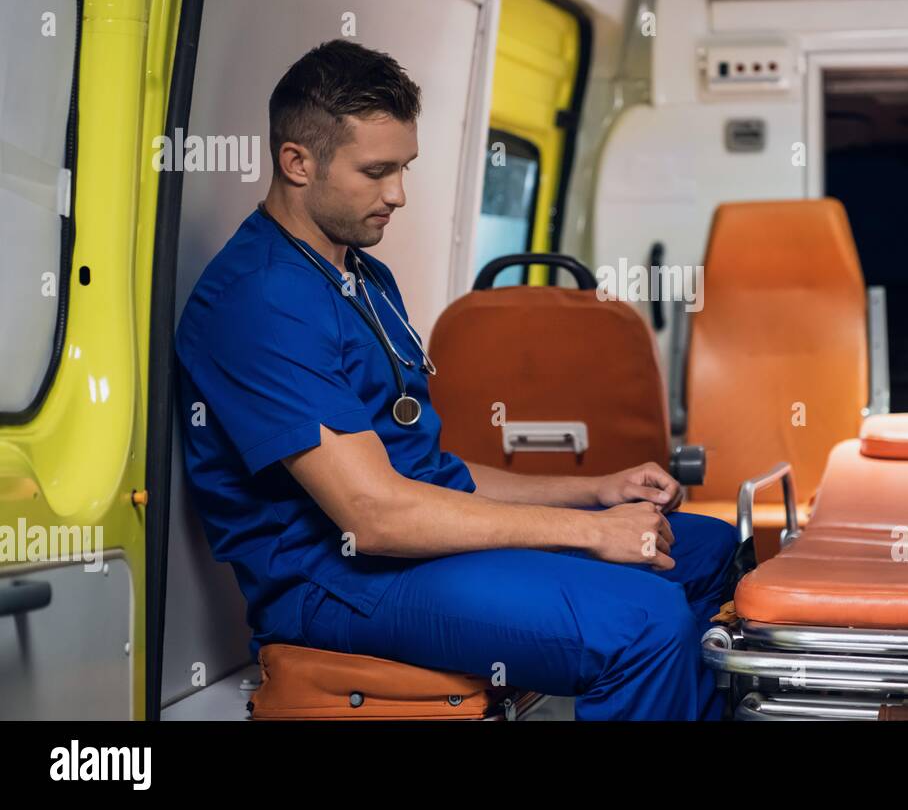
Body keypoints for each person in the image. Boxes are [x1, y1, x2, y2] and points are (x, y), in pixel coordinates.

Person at [175, 40, 735, 720]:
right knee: (645, 623)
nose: (398, 195)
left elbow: (430, 473)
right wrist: (588, 531)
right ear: (297, 161)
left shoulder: (361, 276)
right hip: (338, 581)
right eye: (376, 171)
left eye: (404, 168)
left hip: (409, 549)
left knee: (703, 547)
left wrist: (593, 490)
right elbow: (375, 516)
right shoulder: (260, 300)